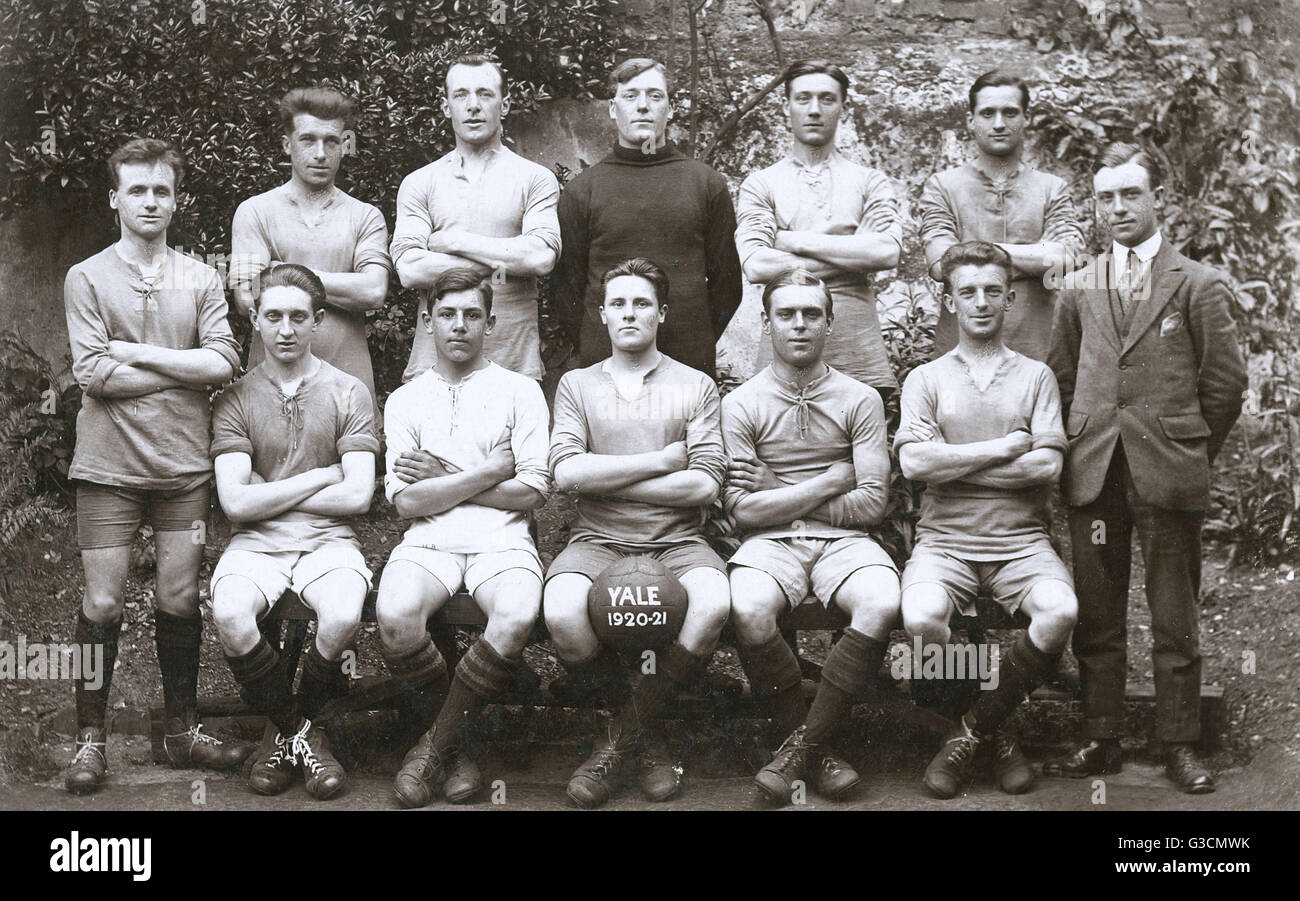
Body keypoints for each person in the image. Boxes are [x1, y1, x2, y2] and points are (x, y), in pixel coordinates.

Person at [1045, 143, 1247, 793]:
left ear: (1158, 197)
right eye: (1106, 197)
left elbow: (1225, 384)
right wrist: (1079, 444)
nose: (1118, 208)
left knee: (1172, 610)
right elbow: (1063, 374)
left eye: (1131, 194)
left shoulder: (1198, 282)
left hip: (1168, 469)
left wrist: (1189, 447)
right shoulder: (1078, 286)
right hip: (1097, 467)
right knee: (1097, 613)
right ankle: (1100, 737)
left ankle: (1179, 743)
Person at [61, 138, 246, 794]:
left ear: (176, 198)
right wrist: (179, 370)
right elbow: (92, 373)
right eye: (137, 189)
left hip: (183, 468)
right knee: (104, 599)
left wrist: (135, 355)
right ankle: (89, 739)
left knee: (176, 595)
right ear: (115, 196)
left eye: (161, 190)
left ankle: (180, 729)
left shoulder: (199, 277)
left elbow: (223, 362)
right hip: (108, 467)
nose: (150, 201)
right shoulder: (85, 276)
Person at [544, 258, 731, 808]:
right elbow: (566, 474)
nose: (630, 313)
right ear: (602, 315)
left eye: (642, 303)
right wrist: (661, 461)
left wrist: (609, 479)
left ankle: (620, 740)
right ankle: (643, 739)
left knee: (714, 603)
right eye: (619, 303)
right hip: (596, 539)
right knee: (560, 610)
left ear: (662, 313)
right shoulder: (577, 385)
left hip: (677, 541)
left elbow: (704, 485)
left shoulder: (695, 384)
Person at [896, 241, 1078, 799]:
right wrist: (1002, 449)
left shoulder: (1036, 376)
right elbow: (912, 462)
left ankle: (972, 730)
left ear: (1011, 298)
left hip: (1021, 541)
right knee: (923, 618)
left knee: (1060, 611)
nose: (980, 302)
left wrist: (953, 467)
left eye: (992, 292)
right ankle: (994, 737)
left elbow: (1046, 466)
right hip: (945, 541)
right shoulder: (926, 379)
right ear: (948, 300)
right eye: (967, 292)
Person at [722, 269, 899, 806]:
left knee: (880, 600)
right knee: (748, 605)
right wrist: (828, 478)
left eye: (811, 314)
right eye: (786, 314)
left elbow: (874, 501)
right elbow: (742, 511)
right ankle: (816, 750)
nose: (799, 325)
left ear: (828, 320)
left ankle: (798, 749)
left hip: (845, 541)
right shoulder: (741, 403)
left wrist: (779, 488)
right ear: (767, 321)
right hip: (770, 542)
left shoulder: (860, 399)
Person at [377, 269, 550, 808]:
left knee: (518, 612)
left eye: (472, 315)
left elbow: (533, 492)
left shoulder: (521, 391)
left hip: (502, 542)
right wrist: (485, 472)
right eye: (447, 314)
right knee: (395, 614)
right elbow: (407, 502)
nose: (459, 325)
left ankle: (433, 748)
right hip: (429, 541)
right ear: (428, 322)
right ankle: (457, 746)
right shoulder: (406, 400)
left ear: (491, 323)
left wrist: (442, 477)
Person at [209, 265, 378, 800]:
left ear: (319, 321)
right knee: (232, 612)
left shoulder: (349, 391)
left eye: (298, 317)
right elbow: (235, 502)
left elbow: (358, 496)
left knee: (344, 612)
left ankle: (281, 736)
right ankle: (305, 738)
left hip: (329, 541)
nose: (285, 328)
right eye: (273, 315)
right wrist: (320, 475)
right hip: (257, 544)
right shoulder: (234, 397)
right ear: (255, 319)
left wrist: (271, 490)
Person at [555, 58, 742, 377]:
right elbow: (565, 289)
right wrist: (598, 343)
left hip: (688, 366)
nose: (643, 106)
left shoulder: (705, 184)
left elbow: (727, 285)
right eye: (631, 96)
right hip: (605, 370)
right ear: (613, 108)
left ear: (670, 109)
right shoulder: (582, 190)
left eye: (655, 96)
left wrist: (692, 338)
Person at [736, 59, 902, 397]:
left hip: (858, 348)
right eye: (803, 98)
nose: (814, 110)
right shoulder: (762, 183)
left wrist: (792, 240)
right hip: (785, 346)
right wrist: (853, 251)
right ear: (787, 106)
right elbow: (755, 265)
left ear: (843, 105)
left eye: (827, 99)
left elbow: (886, 252)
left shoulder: (869, 180)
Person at [391, 54, 560, 382]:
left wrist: (455, 241)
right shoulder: (420, 182)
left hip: (514, 367)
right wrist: (507, 262)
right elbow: (410, 269)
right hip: (433, 372)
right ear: (445, 107)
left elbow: (540, 258)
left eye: (485, 94)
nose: (473, 105)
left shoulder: (534, 179)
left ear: (505, 104)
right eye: (461, 95)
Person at [230, 86, 392, 407]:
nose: (320, 153)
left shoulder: (365, 216)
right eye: (308, 140)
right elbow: (247, 296)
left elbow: (373, 291)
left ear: (344, 146)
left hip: (348, 386)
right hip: (271, 389)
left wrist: (284, 274)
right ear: (287, 145)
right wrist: (342, 285)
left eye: (331, 141)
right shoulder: (255, 212)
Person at [918, 70, 1084, 361]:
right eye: (987, 113)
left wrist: (973, 253)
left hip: (1039, 353)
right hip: (960, 356)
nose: (998, 124)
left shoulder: (1051, 188)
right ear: (971, 120)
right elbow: (941, 265)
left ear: (1026, 118)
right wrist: (1034, 260)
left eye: (1009, 113)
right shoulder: (943, 186)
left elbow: (1065, 259)